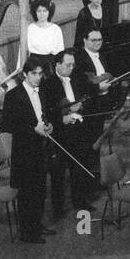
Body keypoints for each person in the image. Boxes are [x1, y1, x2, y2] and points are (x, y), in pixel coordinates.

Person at [3, 60, 52, 243]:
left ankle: (37, 225)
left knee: (39, 190)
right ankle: (27, 233)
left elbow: (43, 115)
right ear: (25, 74)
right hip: (24, 152)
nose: (38, 78)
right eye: (34, 74)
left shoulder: (42, 92)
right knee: (26, 194)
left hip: (40, 149)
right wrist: (33, 129)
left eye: (40, 74)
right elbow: (8, 124)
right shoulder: (13, 95)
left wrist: (48, 125)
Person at [42, 50, 95, 214]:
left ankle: (80, 200)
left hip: (78, 129)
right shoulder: (48, 84)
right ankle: (58, 208)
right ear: (57, 65)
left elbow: (87, 98)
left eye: (73, 64)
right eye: (68, 65)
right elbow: (46, 111)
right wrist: (61, 119)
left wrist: (81, 106)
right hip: (60, 134)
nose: (71, 68)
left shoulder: (77, 79)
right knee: (58, 172)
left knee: (79, 166)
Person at [25, 0, 64, 73]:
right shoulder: (30, 28)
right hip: (34, 64)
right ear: (35, 13)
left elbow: (60, 52)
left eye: (44, 11)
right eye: (39, 11)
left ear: (49, 12)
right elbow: (24, 50)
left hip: (50, 65)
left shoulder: (56, 29)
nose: (42, 14)